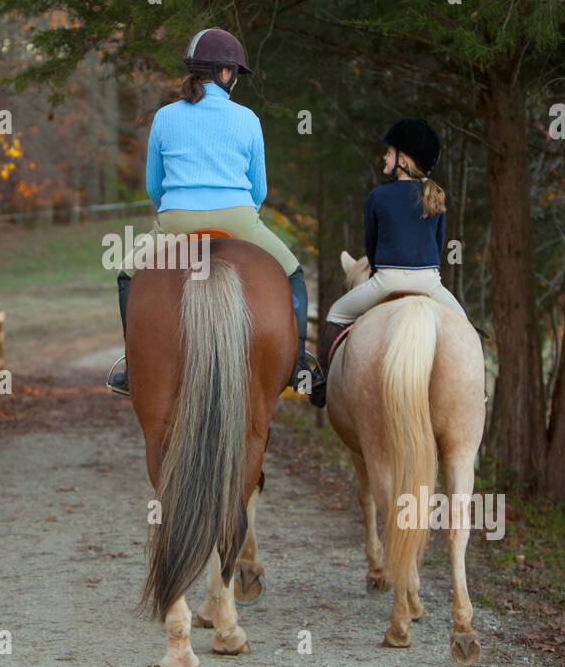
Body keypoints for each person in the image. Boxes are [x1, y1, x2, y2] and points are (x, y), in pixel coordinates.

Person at [108, 27, 319, 398]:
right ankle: (299, 362)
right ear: (225, 73)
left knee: (127, 273)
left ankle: (132, 364)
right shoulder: (248, 119)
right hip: (237, 220)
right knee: (292, 272)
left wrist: (176, 213)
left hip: (177, 219)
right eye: (235, 74)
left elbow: (154, 187)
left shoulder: (164, 117)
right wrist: (242, 215)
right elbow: (259, 190)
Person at [310, 118, 471, 407]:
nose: (384, 157)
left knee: (335, 314)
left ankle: (319, 382)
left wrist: (380, 266)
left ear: (403, 160)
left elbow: (371, 249)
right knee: (466, 330)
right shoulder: (435, 195)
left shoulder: (378, 196)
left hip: (387, 280)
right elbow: (439, 243)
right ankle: (474, 394)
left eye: (389, 152)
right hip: (430, 283)